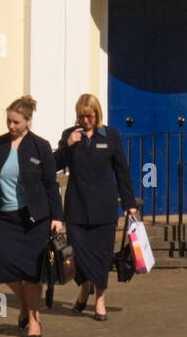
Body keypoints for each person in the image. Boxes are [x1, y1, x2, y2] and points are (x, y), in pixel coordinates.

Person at [0, 94, 63, 337]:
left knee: (31, 273)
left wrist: (57, 218)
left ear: (28, 121)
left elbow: (51, 186)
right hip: (7, 219)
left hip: (34, 220)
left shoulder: (40, 146)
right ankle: (25, 304)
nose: (11, 126)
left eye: (16, 122)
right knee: (4, 268)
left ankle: (34, 320)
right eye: (8, 121)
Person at [54, 94, 138, 321]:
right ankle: (84, 287)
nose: (85, 120)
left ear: (97, 114)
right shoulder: (69, 135)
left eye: (89, 116)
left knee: (101, 256)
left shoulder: (110, 136)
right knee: (78, 256)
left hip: (104, 208)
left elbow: (122, 171)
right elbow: (55, 164)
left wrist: (129, 204)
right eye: (81, 116)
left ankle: (99, 298)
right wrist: (68, 145)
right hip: (77, 207)